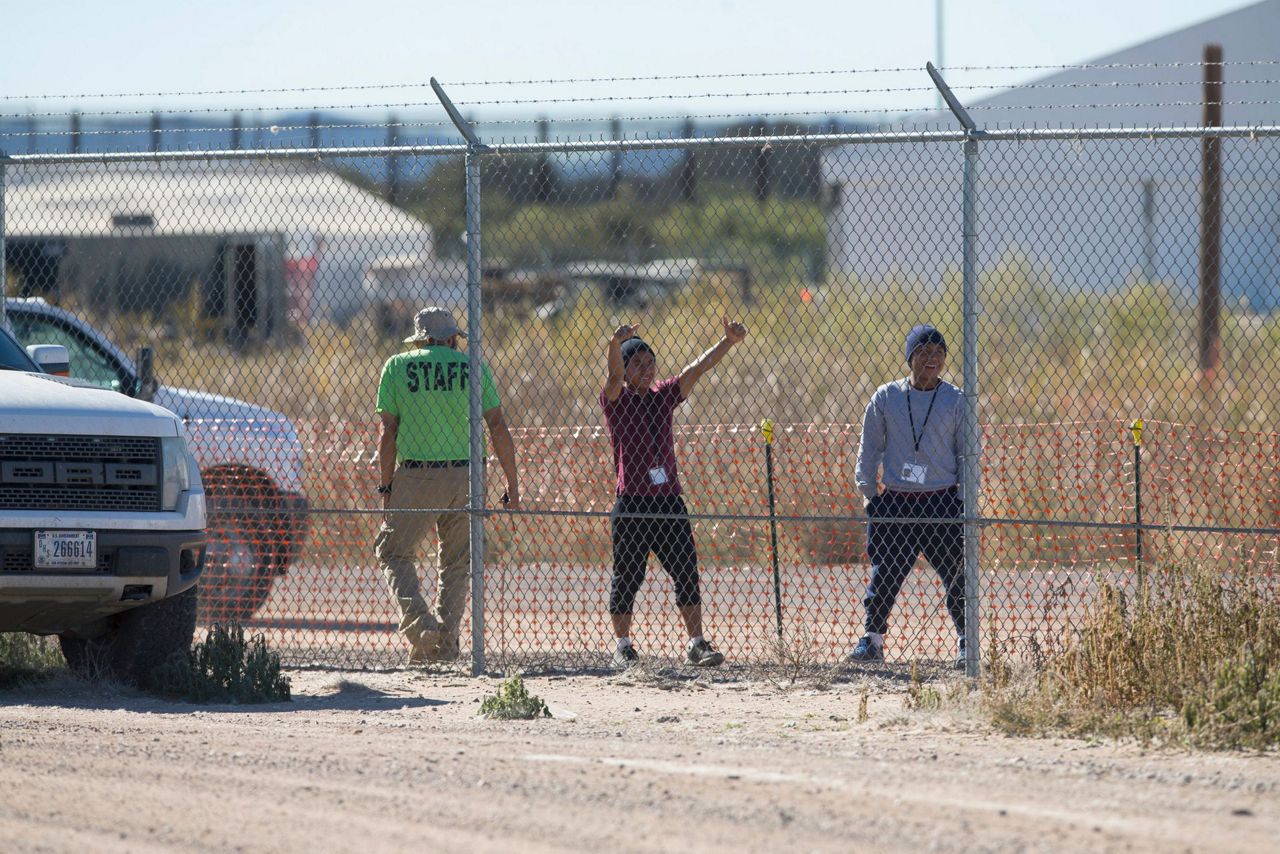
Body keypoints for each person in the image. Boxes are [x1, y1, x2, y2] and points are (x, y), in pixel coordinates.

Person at [374, 307, 519, 665]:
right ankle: (445, 646)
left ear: (420, 338)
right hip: (468, 473)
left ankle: (422, 626)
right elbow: (497, 426)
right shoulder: (473, 366)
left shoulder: (397, 366)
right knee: (456, 561)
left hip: (417, 473)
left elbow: (388, 432)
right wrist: (512, 482)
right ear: (453, 338)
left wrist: (386, 486)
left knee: (393, 552)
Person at [601, 317, 747, 668]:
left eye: (650, 363)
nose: (646, 369)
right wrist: (613, 344)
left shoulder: (663, 397)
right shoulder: (616, 401)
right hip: (633, 504)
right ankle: (623, 646)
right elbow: (613, 378)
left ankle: (697, 643)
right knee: (629, 575)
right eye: (637, 363)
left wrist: (727, 342)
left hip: (668, 502)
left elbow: (696, 369)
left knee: (686, 570)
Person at [850, 324, 968, 668]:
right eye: (924, 352)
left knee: (956, 574)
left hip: (941, 501)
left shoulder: (956, 400)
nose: (932, 359)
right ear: (910, 358)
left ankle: (965, 642)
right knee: (885, 573)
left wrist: (964, 500)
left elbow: (967, 454)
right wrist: (870, 494)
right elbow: (869, 448)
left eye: (938, 354)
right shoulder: (886, 397)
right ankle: (872, 641)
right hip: (897, 501)